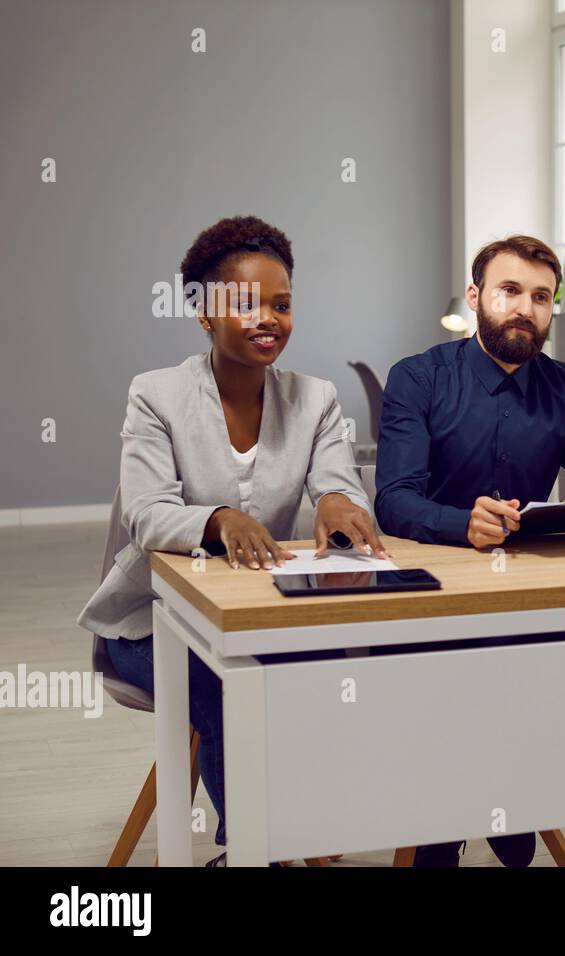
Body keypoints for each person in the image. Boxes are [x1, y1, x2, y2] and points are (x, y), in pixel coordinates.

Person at [78, 216, 381, 867]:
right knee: (229, 688)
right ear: (204, 313)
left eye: (282, 304)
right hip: (150, 625)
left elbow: (337, 485)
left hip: (256, 617)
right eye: (246, 304)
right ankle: (251, 851)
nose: (268, 319)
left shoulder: (316, 400)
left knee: (332, 675)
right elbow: (148, 515)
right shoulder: (155, 396)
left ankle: (304, 828)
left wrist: (337, 500)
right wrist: (217, 520)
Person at [375, 234, 565, 867]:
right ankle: (467, 820)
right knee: (454, 692)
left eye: (541, 297)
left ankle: (502, 796)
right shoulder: (418, 377)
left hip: (527, 599)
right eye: (509, 291)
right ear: (476, 297)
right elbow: (392, 500)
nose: (525, 309)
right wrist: (462, 524)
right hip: (433, 600)